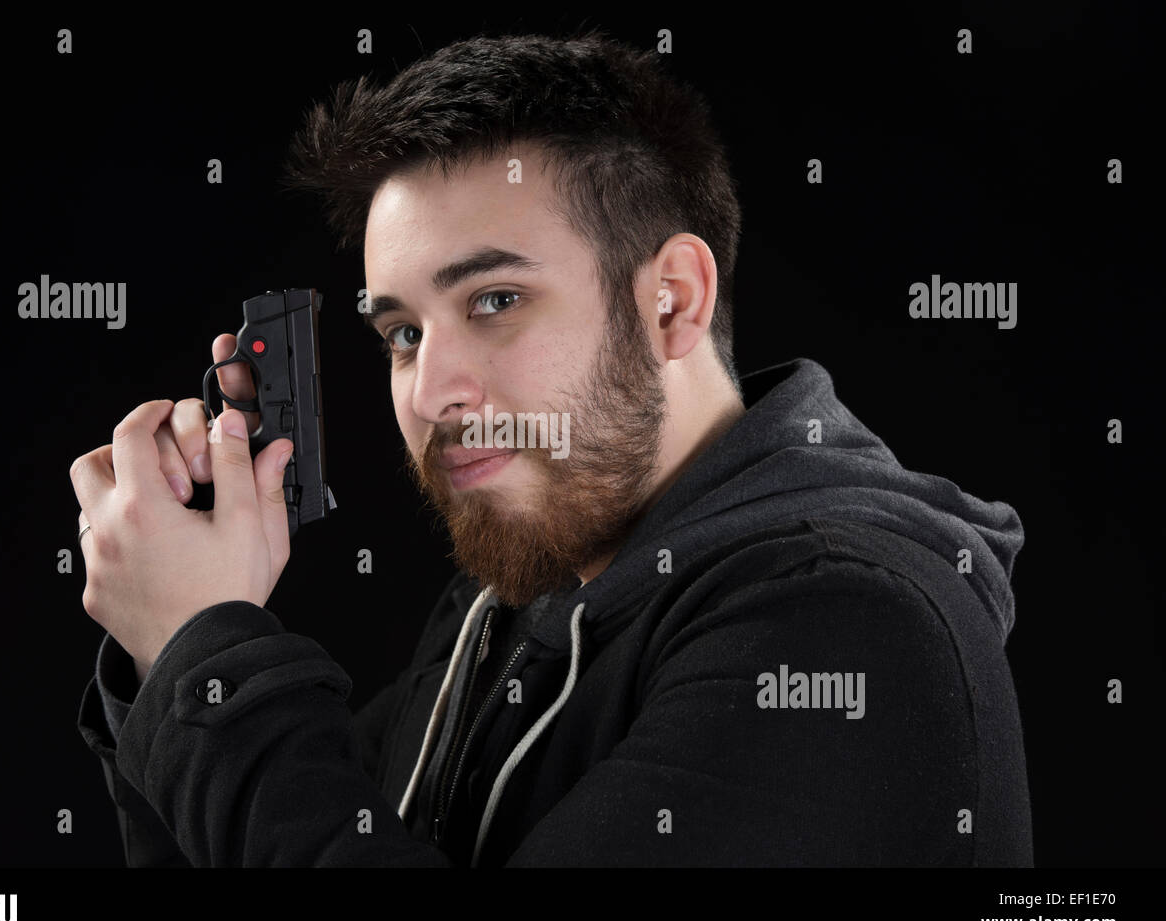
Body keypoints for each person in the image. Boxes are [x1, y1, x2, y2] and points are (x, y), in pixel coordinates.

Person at [71, 30, 1032, 866]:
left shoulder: (848, 627)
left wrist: (209, 658)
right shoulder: (513, 606)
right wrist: (169, 646)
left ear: (672, 302)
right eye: (403, 333)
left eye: (494, 301)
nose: (432, 389)